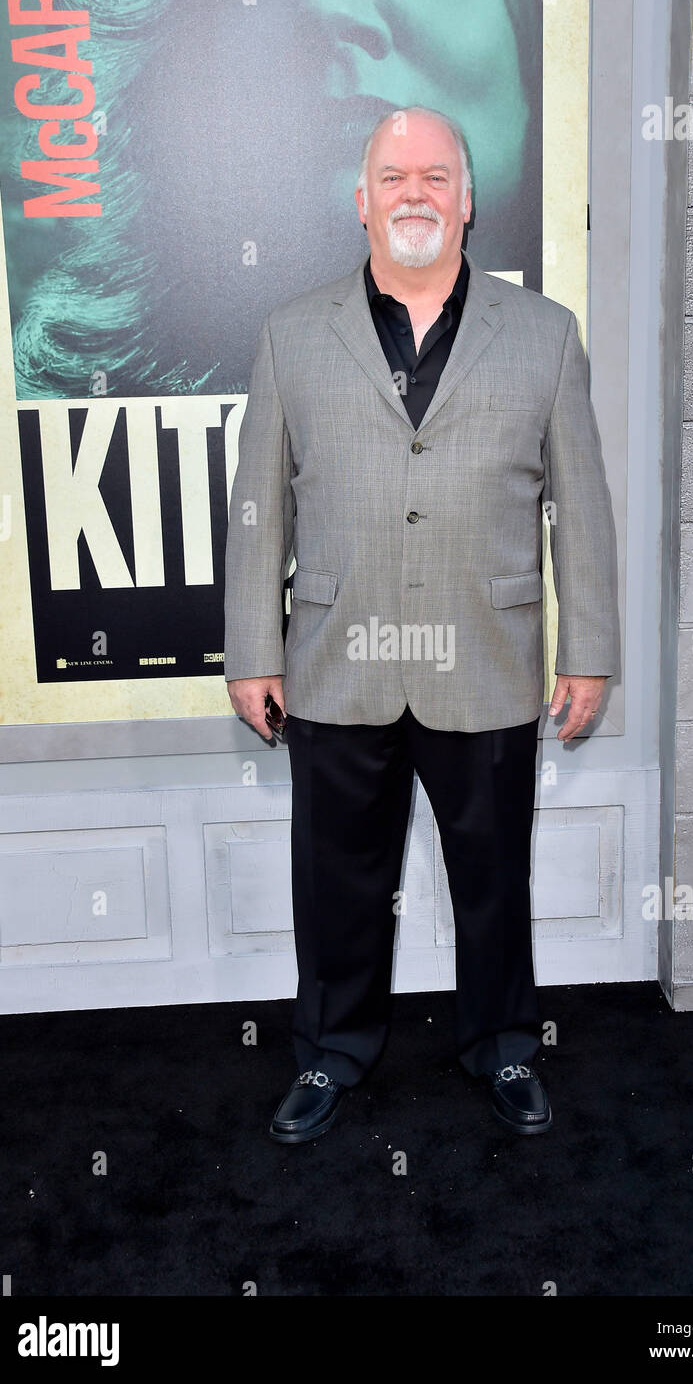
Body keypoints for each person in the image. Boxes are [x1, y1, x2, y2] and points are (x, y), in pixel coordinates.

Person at [224, 105, 620, 1143]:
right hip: (335, 661)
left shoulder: (543, 336)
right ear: (360, 201)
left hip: (484, 663)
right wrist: (251, 652)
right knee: (335, 879)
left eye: (436, 176)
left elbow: (579, 505)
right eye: (393, 175)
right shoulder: (289, 334)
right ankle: (329, 1053)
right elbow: (258, 504)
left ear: (468, 201)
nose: (415, 193)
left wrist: (587, 651)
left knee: (493, 880)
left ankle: (500, 1046)